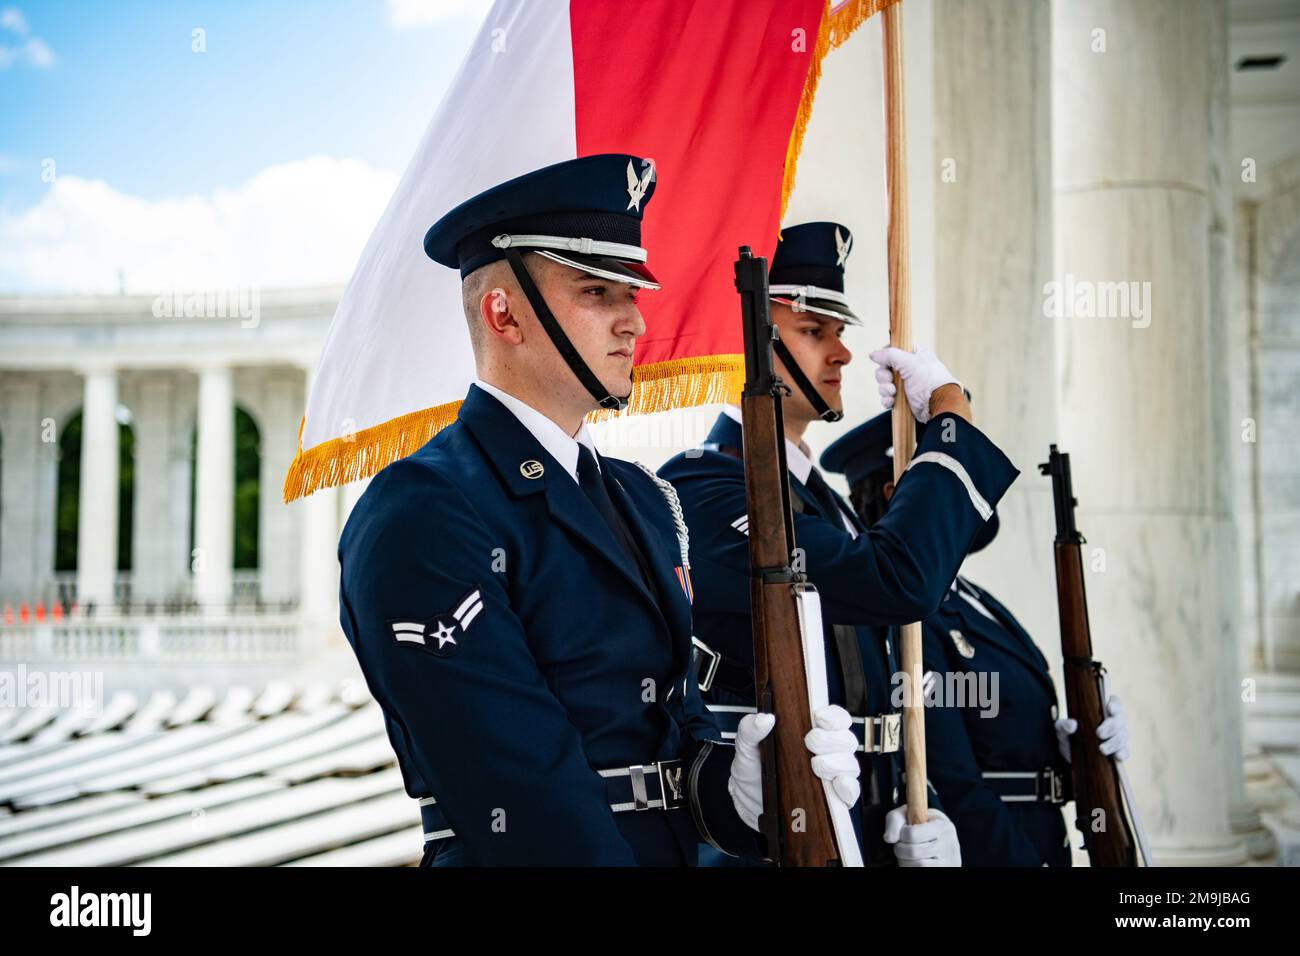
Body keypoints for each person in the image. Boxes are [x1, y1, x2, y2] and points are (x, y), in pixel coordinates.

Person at [336, 156, 860, 866]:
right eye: (597, 292)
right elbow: (521, 793)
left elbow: (673, 734)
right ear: (505, 313)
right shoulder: (423, 510)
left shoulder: (643, 499)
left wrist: (740, 792)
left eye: (632, 294)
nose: (635, 321)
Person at [659, 221, 1017, 866]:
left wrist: (917, 801)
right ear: (750, 342)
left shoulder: (816, 497)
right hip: (771, 831)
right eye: (813, 331)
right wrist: (949, 419)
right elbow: (893, 580)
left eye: (840, 333)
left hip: (861, 818)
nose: (843, 354)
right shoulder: (707, 484)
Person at [821, 408, 1132, 866]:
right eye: (952, 474)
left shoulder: (969, 598)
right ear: (904, 495)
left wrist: (1074, 749)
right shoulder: (912, 622)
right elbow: (955, 783)